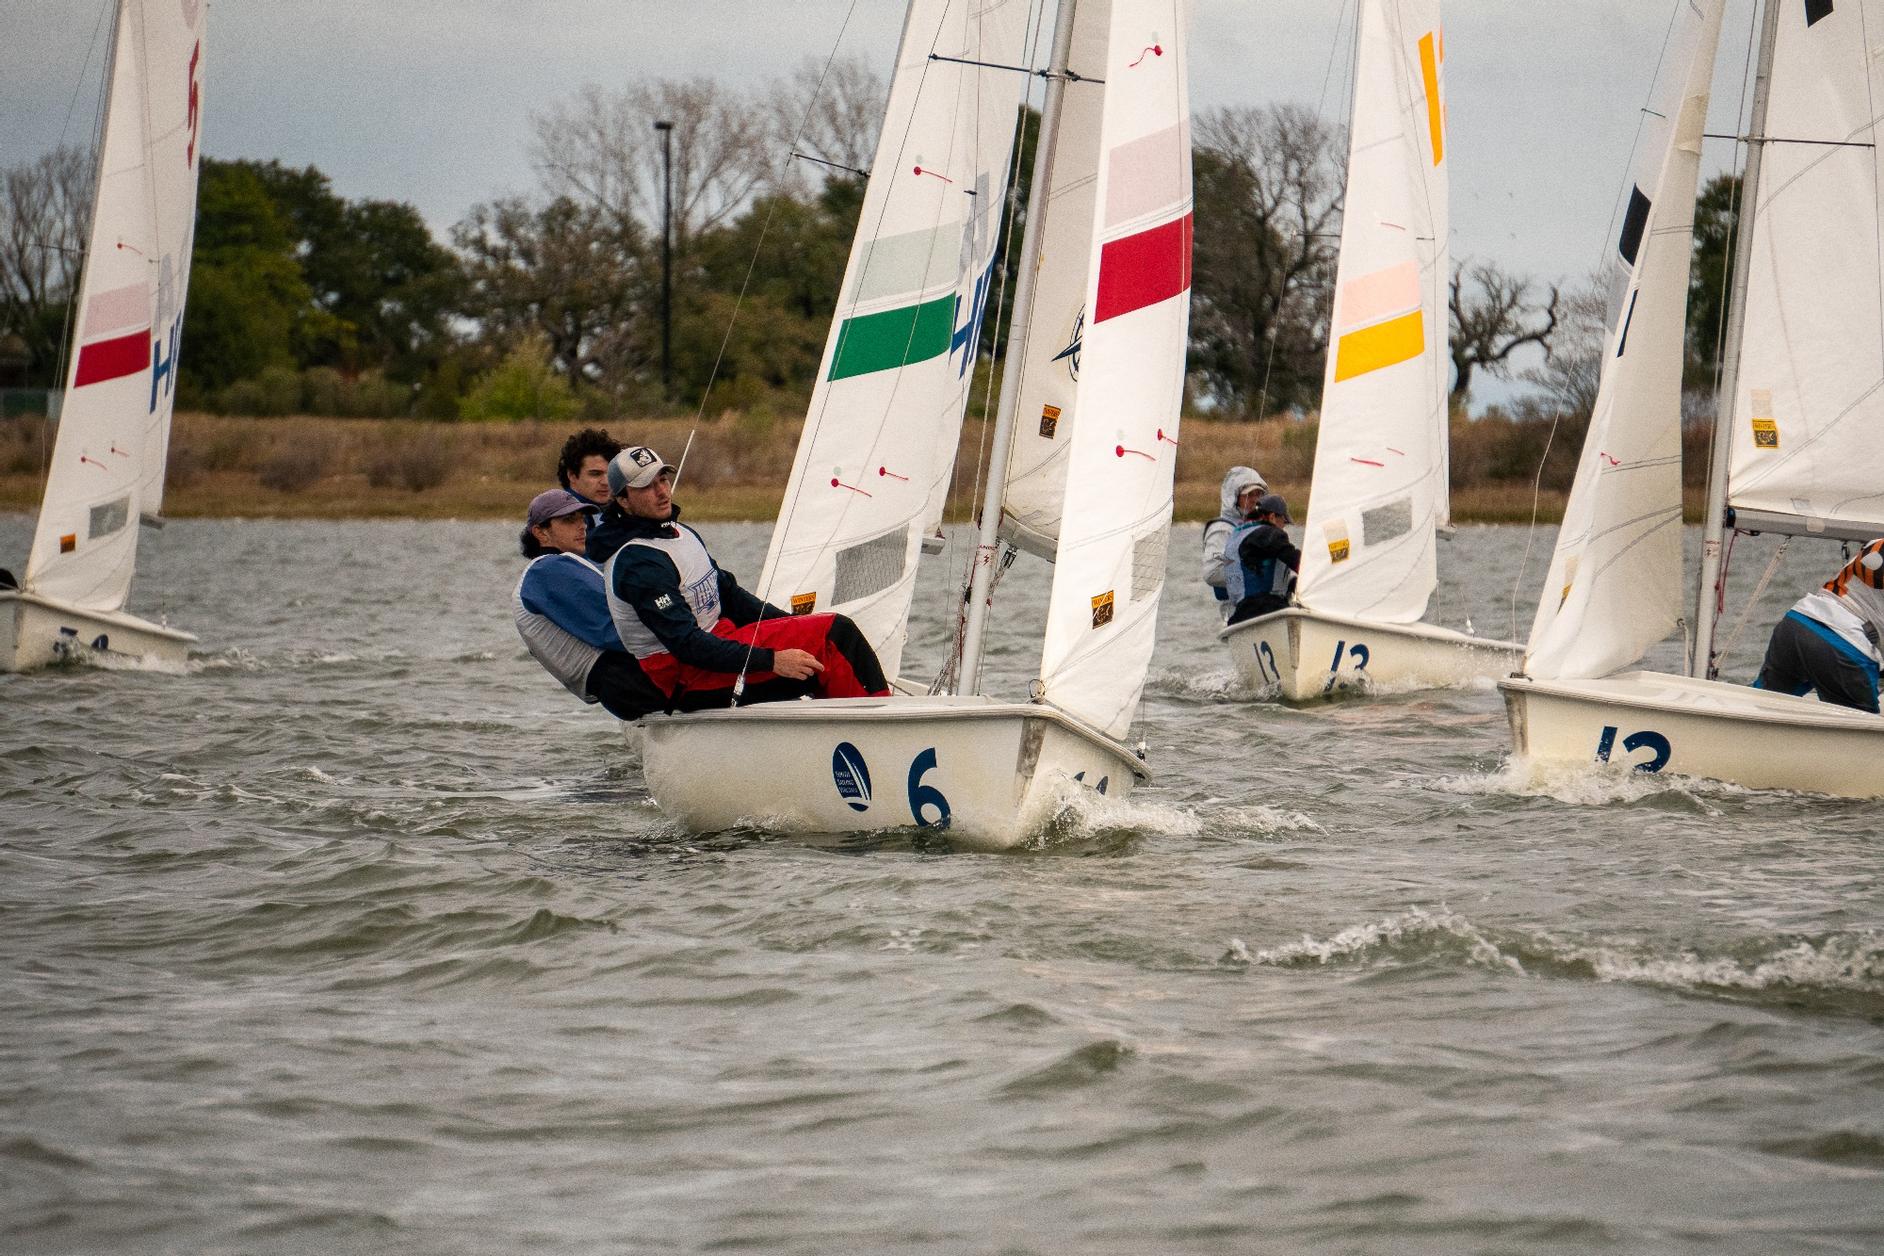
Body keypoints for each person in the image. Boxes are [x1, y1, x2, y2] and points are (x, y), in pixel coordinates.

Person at [598, 445, 892, 710]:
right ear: (623, 500)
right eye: (646, 486)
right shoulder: (637, 563)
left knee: (823, 636)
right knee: (834, 635)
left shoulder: (677, 532)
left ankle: (848, 725)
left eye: (662, 479)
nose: (662, 491)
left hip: (717, 647)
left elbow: (729, 594)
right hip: (686, 676)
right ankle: (878, 729)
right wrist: (773, 660)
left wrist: (789, 623)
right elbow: (686, 644)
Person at [514, 488, 665, 720]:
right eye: (568, 520)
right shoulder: (547, 570)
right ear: (541, 533)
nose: (582, 525)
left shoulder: (558, 567)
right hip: (623, 679)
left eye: (581, 518)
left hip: (620, 684)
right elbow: (615, 631)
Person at [1752, 538, 1884, 714]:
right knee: (1862, 733)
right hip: (1844, 644)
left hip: (1798, 621)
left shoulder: (1875, 543)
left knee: (1763, 706)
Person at [1203, 465, 1269, 621]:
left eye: (1258, 494)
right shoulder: (1222, 530)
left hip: (1268, 607)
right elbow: (1212, 571)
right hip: (1238, 612)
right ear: (1233, 497)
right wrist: (1251, 571)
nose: (1255, 499)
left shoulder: (1264, 527)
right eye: (1248, 495)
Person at [1225, 493, 1301, 626]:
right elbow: (1296, 561)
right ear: (1272, 517)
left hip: (1239, 615)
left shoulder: (1235, 536)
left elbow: (1220, 591)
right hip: (1265, 608)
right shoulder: (1268, 533)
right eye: (1283, 521)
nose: (1283, 527)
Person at [557, 428, 623, 507]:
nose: (606, 482)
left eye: (611, 474)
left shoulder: (614, 510)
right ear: (572, 475)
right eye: (596, 474)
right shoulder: (560, 515)